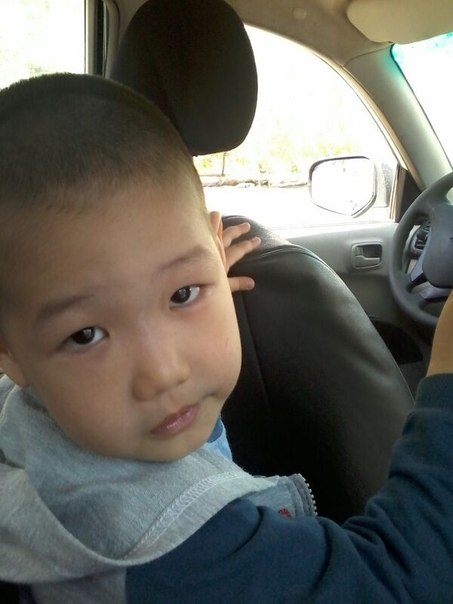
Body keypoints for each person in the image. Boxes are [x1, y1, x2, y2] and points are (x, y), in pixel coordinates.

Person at [0, 73, 453, 604]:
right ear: (9, 354)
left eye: (182, 294)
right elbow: (402, 584)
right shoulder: (168, 552)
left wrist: (201, 273)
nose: (164, 372)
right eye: (86, 335)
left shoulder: (23, 418)